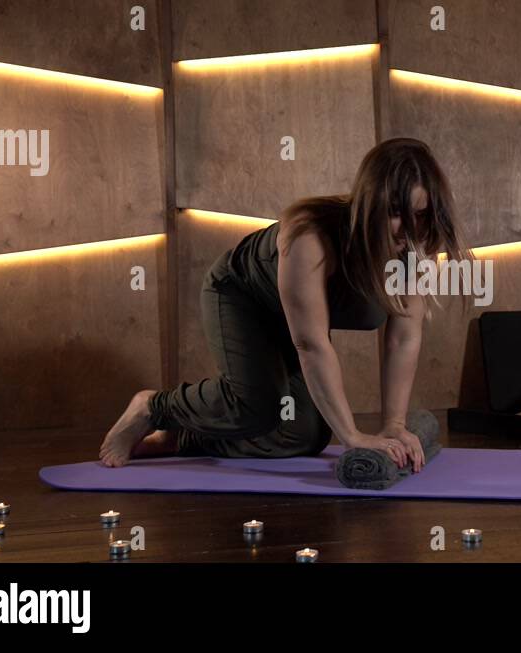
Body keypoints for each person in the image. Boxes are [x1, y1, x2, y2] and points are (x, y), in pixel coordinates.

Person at [98, 138, 471, 472]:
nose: (406, 228)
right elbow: (311, 344)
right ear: (369, 203)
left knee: (306, 434)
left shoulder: (411, 254)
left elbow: (402, 339)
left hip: (293, 319)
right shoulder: (310, 237)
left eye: (419, 214)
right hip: (241, 295)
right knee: (258, 407)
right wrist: (355, 437)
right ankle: (153, 407)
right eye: (394, 212)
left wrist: (394, 425)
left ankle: (184, 439)